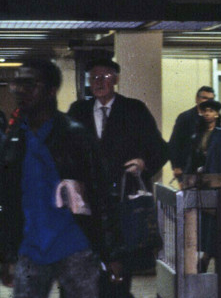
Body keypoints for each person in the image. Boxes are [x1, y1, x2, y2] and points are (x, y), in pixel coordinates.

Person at [0, 58, 133, 298]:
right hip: (30, 253)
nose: (21, 90)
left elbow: (100, 195)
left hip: (74, 249)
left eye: (31, 84)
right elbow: (6, 201)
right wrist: (6, 253)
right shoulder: (13, 138)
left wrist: (111, 253)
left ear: (51, 90)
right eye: (18, 84)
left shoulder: (74, 134)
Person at [66, 56, 168, 195]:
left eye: (105, 76)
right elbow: (66, 149)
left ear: (115, 80)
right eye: (94, 77)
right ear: (89, 82)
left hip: (125, 192)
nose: (99, 82)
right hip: (89, 194)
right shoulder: (78, 110)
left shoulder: (134, 109)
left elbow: (160, 149)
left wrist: (143, 164)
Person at [167, 86, 216, 182]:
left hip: (210, 167)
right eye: (204, 98)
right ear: (197, 99)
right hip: (188, 167)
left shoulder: (216, 118)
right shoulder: (185, 118)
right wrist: (176, 166)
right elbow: (174, 143)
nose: (207, 101)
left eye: (211, 99)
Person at [184, 99, 221, 174]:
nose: (207, 114)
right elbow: (192, 159)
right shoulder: (197, 135)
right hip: (199, 173)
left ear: (216, 114)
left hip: (216, 172)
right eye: (205, 111)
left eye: (211, 111)